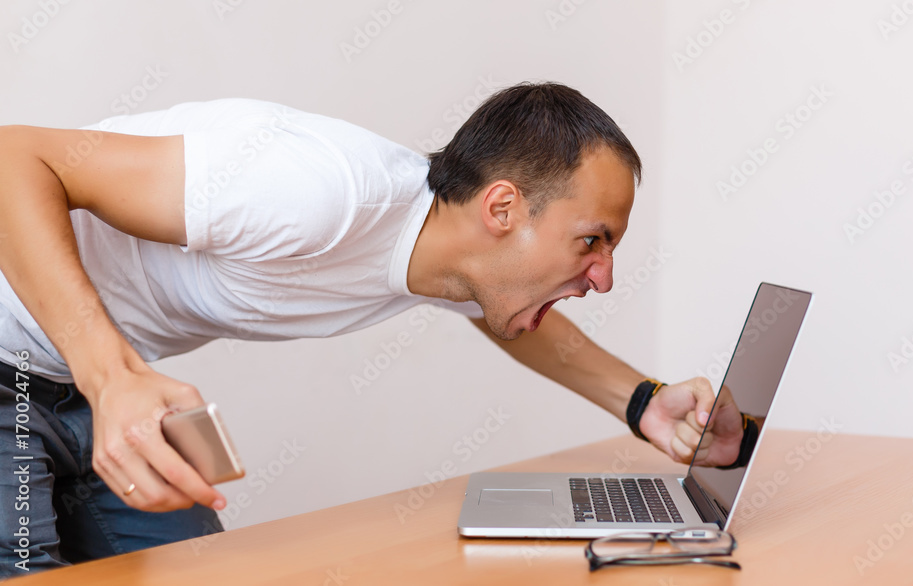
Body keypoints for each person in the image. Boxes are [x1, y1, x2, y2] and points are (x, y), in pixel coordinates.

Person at [0, 82, 745, 577]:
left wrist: (642, 401)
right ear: (503, 209)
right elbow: (14, 159)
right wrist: (113, 375)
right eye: (592, 240)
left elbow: (516, 320)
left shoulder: (450, 258)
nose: (605, 276)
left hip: (82, 383)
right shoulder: (309, 190)